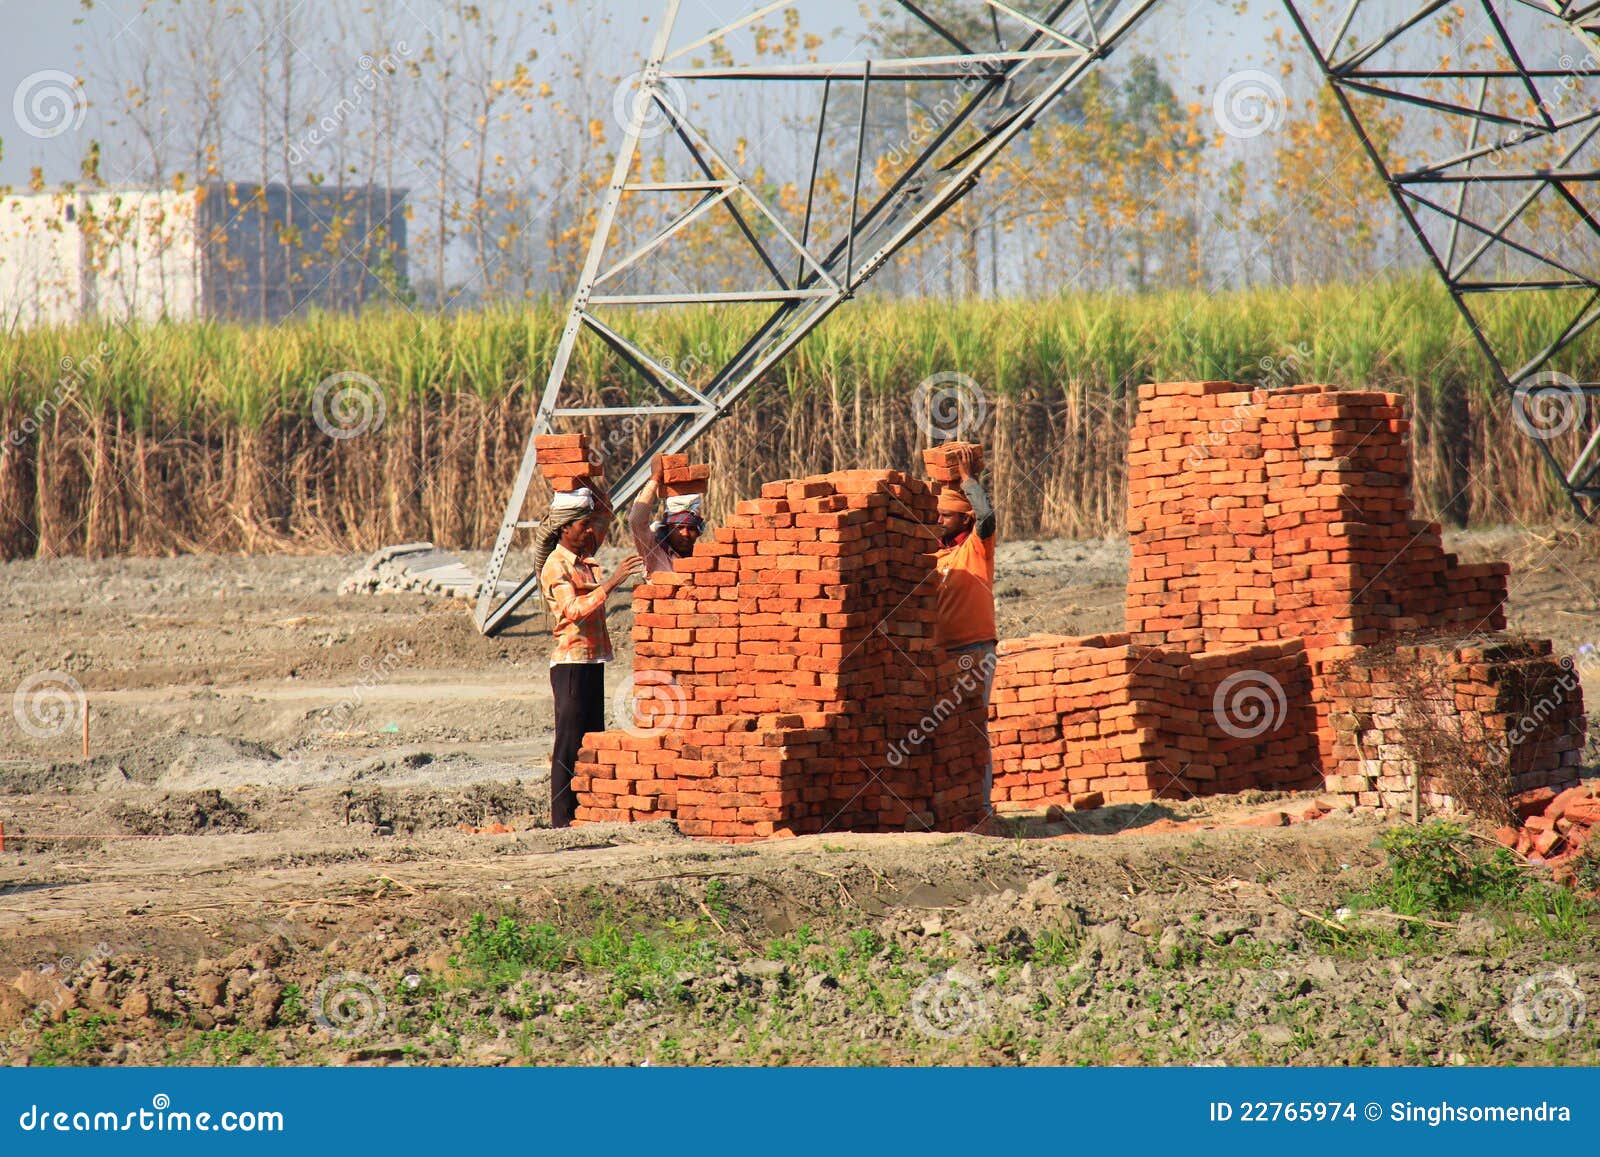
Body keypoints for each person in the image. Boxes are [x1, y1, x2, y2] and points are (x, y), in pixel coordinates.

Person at [533, 487, 643, 828]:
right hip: (570, 665)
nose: (590, 531)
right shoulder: (556, 565)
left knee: (592, 736)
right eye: (583, 526)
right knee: (568, 743)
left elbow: (605, 515)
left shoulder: (582, 556)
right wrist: (613, 582)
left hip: (592, 661)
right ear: (565, 528)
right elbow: (574, 610)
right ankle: (560, 819)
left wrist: (589, 478)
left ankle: (586, 811)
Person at [932, 446, 999, 813]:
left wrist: (970, 481)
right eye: (937, 514)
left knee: (974, 728)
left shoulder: (977, 546)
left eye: (946, 516)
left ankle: (982, 805)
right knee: (944, 728)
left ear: (964, 520)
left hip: (975, 649)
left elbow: (987, 517)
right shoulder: (936, 556)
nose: (940, 520)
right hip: (942, 655)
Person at [628, 456, 706, 574]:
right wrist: (655, 478)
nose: (685, 534)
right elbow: (636, 521)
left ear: (699, 530)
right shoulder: (654, 551)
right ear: (668, 526)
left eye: (691, 528)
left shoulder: (703, 559)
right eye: (679, 527)